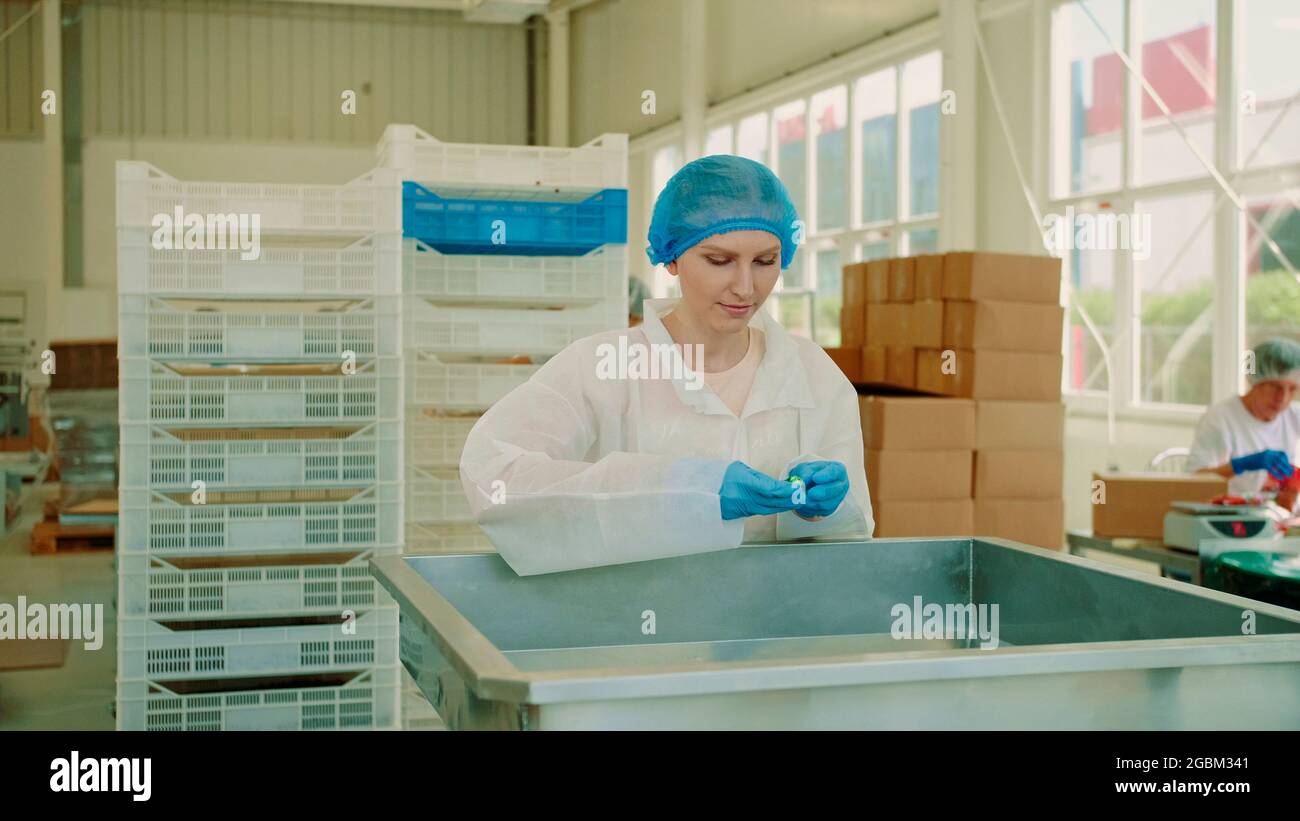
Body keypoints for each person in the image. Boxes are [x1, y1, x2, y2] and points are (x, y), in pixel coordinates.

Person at [459, 154, 873, 576]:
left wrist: (824, 508)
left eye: (765, 261)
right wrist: (684, 487)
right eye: (719, 260)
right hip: (631, 629)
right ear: (672, 257)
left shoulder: (812, 372)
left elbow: (852, 537)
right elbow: (495, 477)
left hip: (772, 625)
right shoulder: (604, 367)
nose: (746, 287)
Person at [1188, 338, 1300, 504]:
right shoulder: (1220, 418)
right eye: (1275, 386)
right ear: (1255, 381)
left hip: (1275, 515)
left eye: (1292, 389)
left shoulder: (1293, 415)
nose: (1282, 398)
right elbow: (1194, 481)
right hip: (1229, 515)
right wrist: (1241, 465)